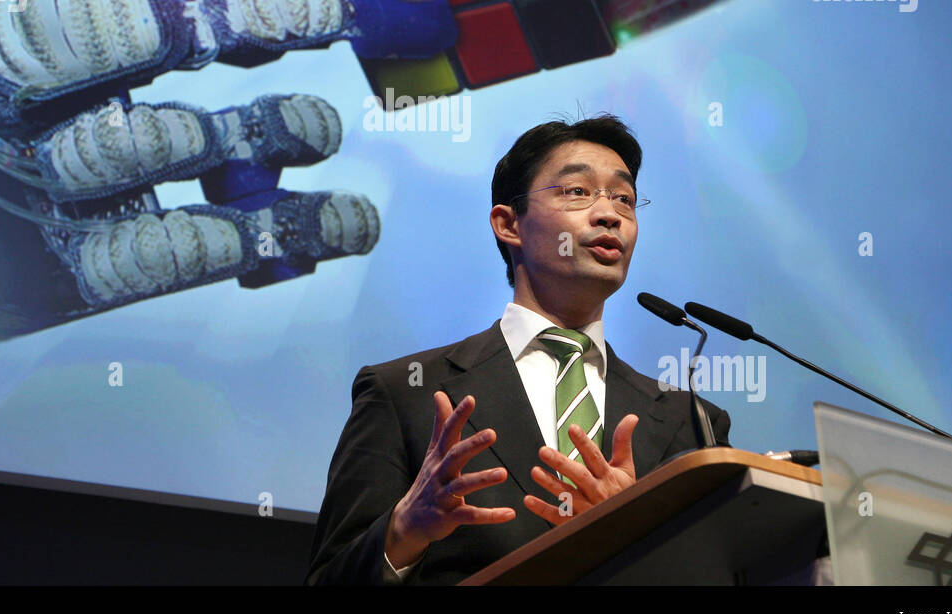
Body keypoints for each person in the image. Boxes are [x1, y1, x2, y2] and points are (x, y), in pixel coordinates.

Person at [305, 114, 731, 585]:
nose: (610, 213)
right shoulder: (404, 394)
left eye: (624, 199)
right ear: (508, 224)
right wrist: (405, 529)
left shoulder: (691, 422)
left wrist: (631, 536)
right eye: (577, 192)